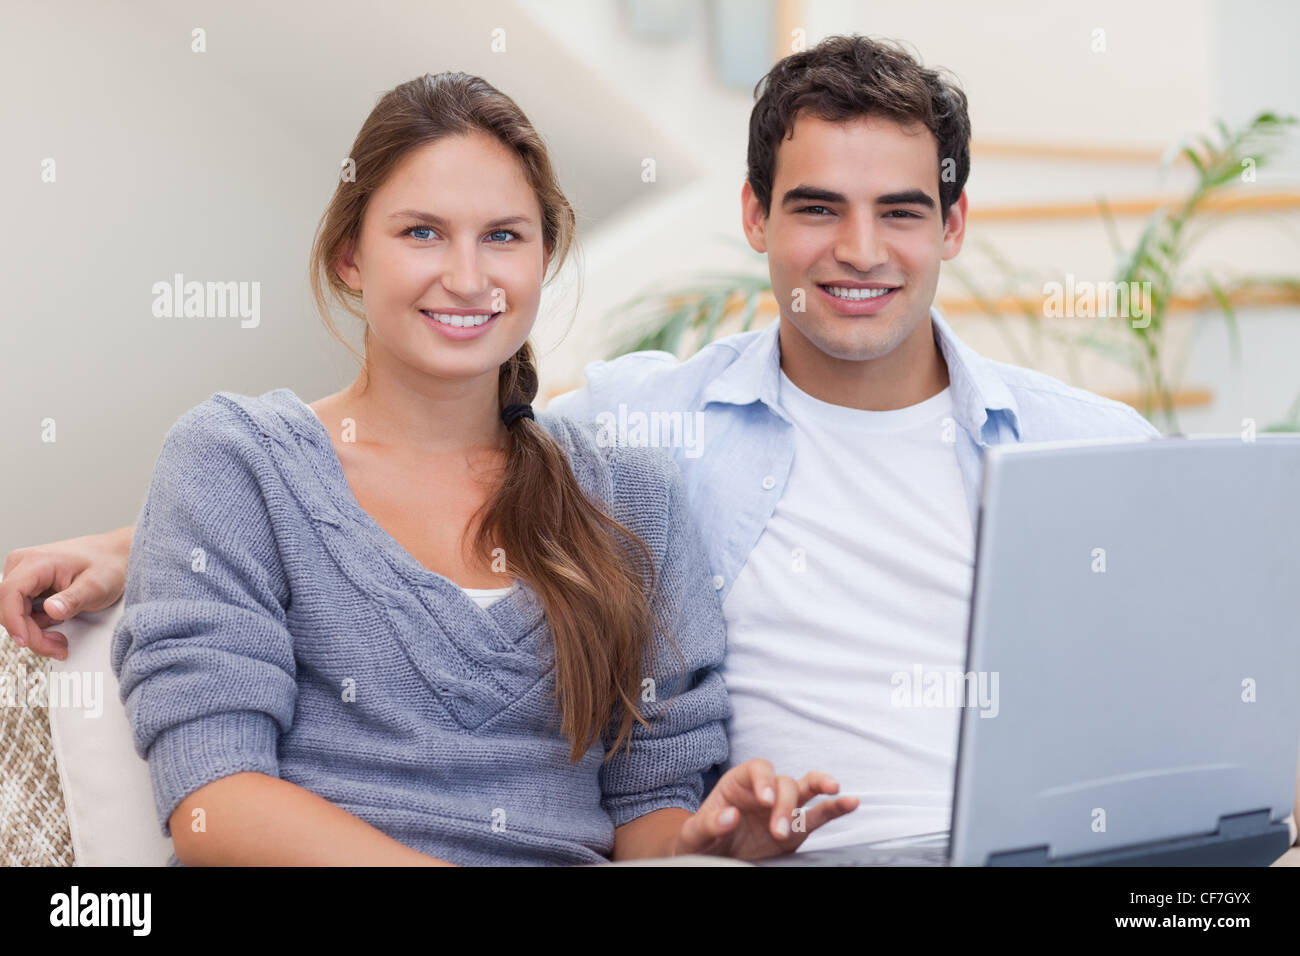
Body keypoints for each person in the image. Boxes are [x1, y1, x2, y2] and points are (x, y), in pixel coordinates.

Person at [1, 71, 858, 866]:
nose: (466, 276)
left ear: (543, 260)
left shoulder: (630, 497)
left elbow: (650, 814)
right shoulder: (235, 462)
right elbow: (213, 799)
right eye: (421, 233)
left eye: (503, 237)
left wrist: (708, 843)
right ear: (349, 257)